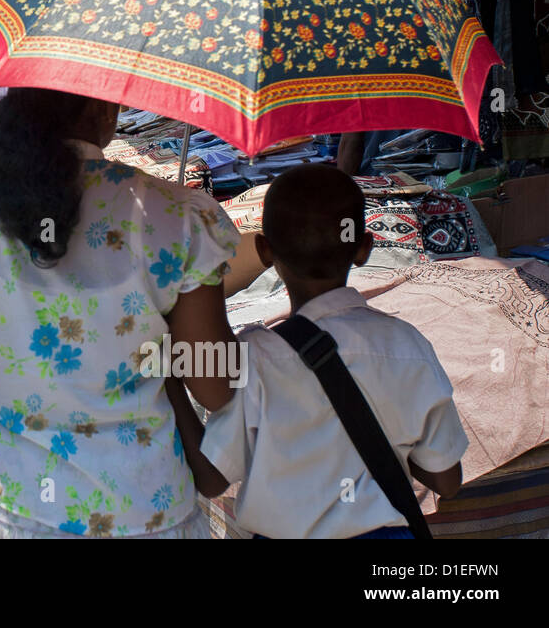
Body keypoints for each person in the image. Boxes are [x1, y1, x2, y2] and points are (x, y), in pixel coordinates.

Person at [0, 88, 240, 538]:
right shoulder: (178, 217)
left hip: (4, 503)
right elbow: (217, 387)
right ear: (106, 110)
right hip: (145, 506)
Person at [193, 165, 466, 539]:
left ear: (264, 251)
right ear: (364, 249)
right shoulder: (407, 346)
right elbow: (446, 480)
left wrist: (170, 383)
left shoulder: (252, 359)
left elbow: (211, 478)